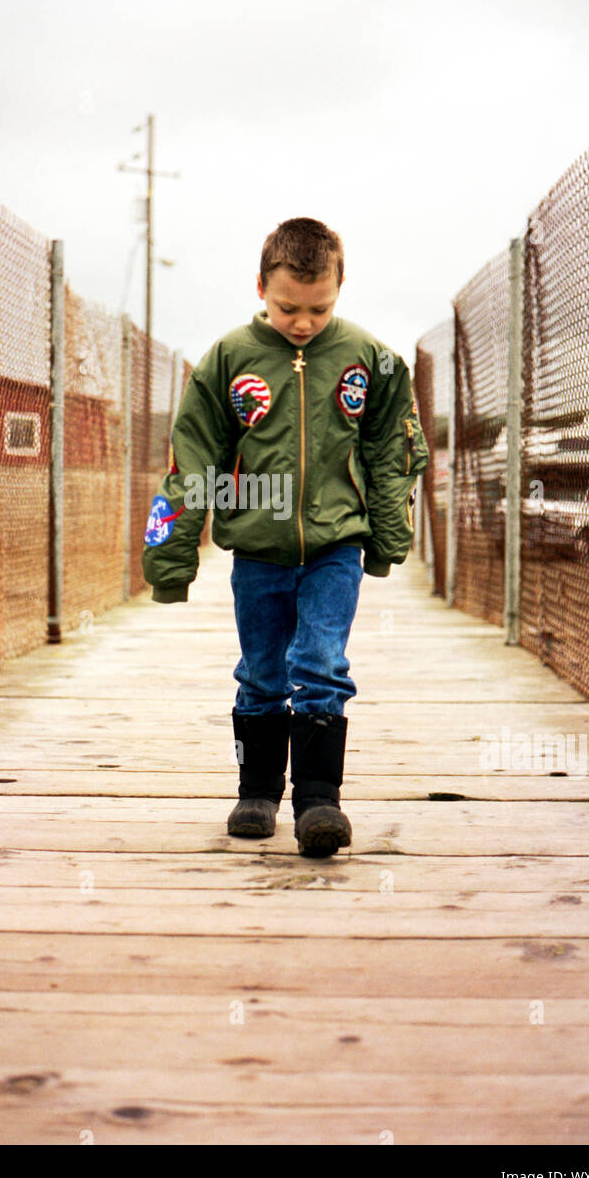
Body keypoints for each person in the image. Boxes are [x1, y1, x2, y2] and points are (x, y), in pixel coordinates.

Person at [142, 217, 429, 856]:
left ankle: (319, 800)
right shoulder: (227, 360)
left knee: (321, 665)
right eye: (287, 308)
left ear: (340, 287)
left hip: (336, 545)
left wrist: (385, 538)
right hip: (258, 551)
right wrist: (169, 558)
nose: (303, 322)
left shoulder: (372, 360)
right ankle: (257, 792)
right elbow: (192, 458)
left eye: (319, 308)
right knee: (263, 673)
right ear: (261, 288)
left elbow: (394, 450)